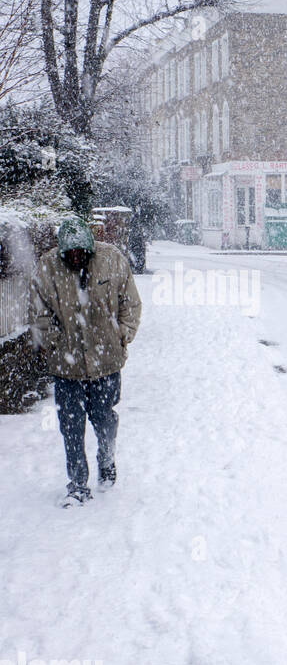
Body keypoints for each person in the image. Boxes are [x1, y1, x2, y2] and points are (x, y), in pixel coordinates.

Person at [29, 217, 142, 506]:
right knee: (71, 427)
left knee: (104, 420)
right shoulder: (48, 267)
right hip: (68, 368)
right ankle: (78, 484)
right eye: (71, 254)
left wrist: (122, 335)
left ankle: (107, 459)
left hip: (106, 363)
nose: (76, 258)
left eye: (82, 252)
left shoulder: (112, 260)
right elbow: (38, 312)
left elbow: (130, 302)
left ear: (90, 248)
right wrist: (53, 342)